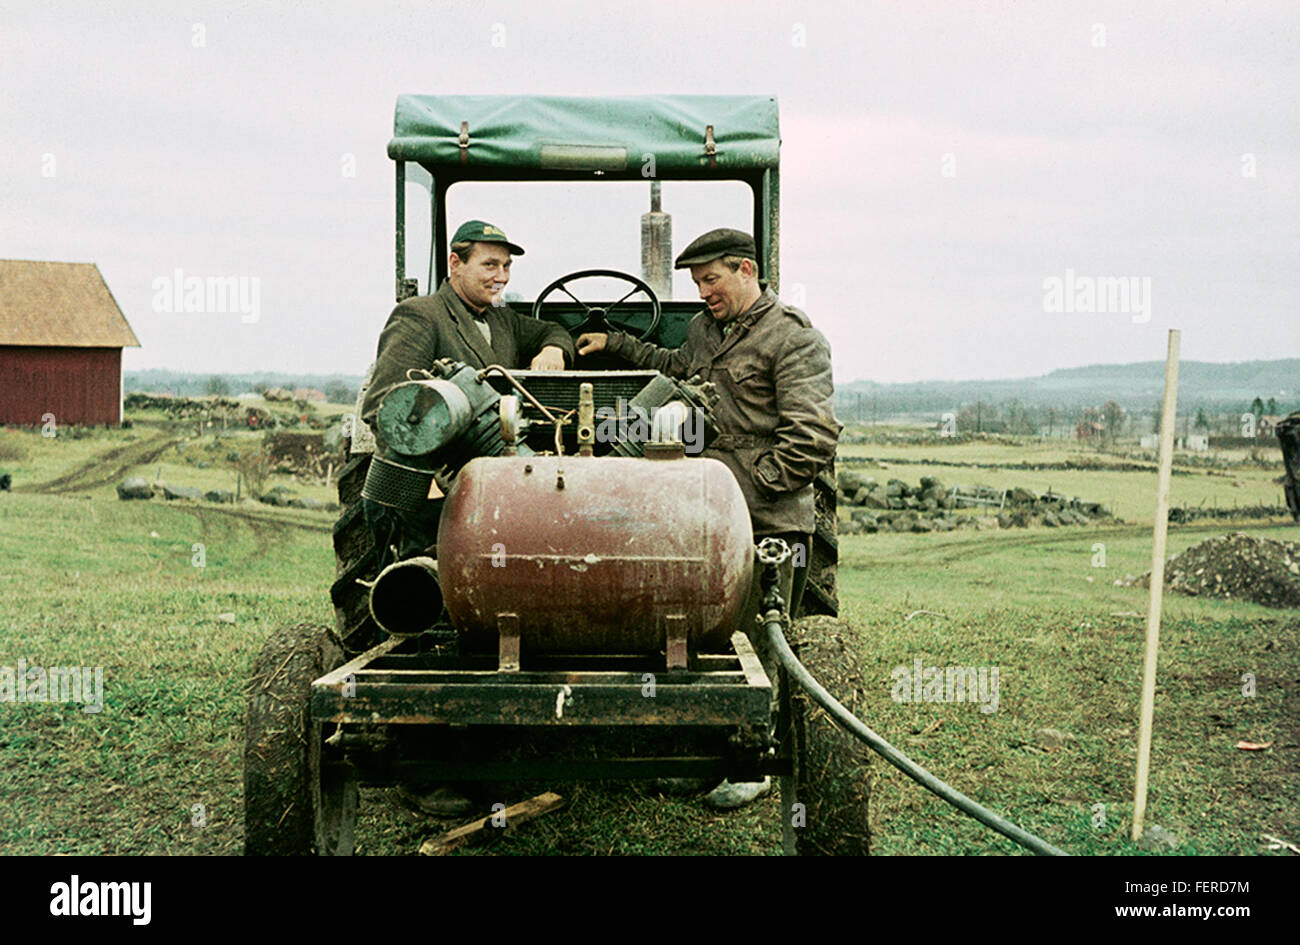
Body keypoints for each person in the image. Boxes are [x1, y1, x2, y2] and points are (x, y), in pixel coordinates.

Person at [576, 227, 841, 810]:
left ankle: (753, 759)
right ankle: (694, 752)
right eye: (696, 282)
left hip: (763, 516)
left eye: (710, 280)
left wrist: (752, 486)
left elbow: (813, 436)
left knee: (754, 640)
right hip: (696, 513)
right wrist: (616, 343)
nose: (702, 293)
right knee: (690, 636)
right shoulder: (705, 330)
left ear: (746, 269)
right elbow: (675, 365)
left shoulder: (793, 339)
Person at [359, 220, 574, 818]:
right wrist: (442, 470)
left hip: (509, 497)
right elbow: (387, 407)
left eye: (507, 268)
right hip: (443, 495)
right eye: (489, 266)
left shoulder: (504, 320)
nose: (501, 277)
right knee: (438, 627)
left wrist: (553, 346)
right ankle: (430, 768)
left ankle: (508, 746)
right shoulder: (420, 317)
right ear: (455, 264)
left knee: (507, 612)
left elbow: (551, 325)